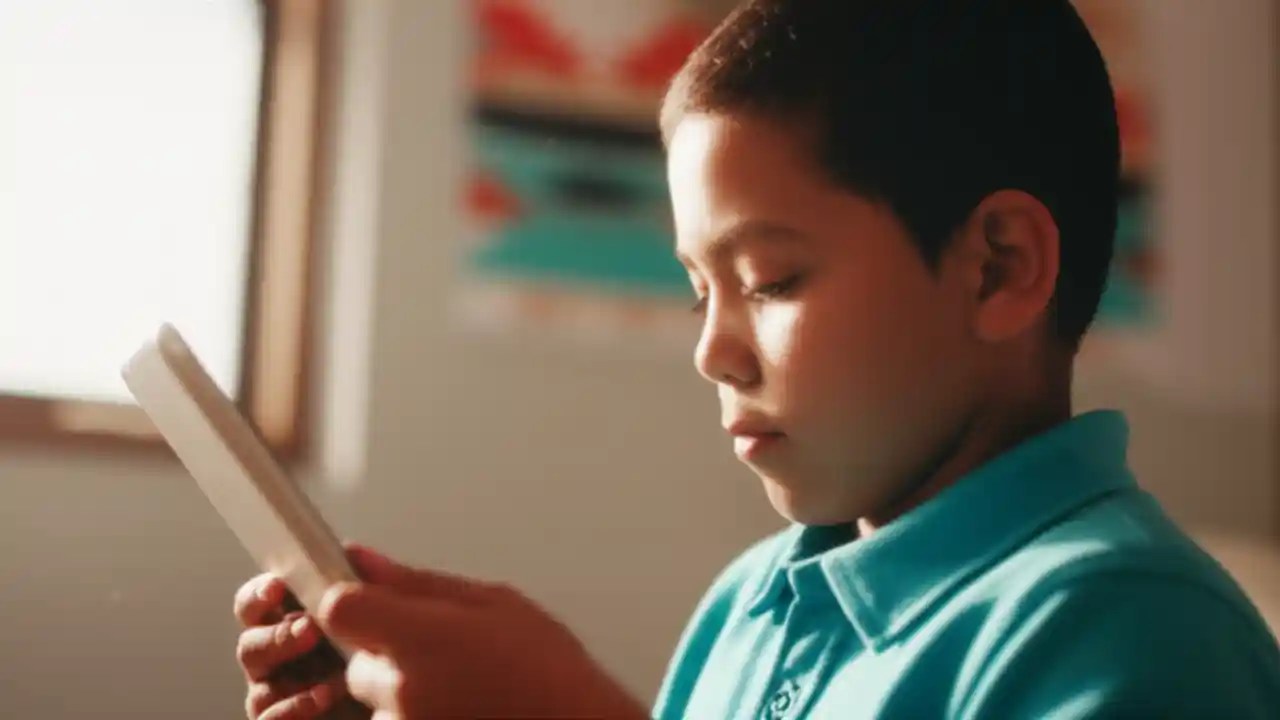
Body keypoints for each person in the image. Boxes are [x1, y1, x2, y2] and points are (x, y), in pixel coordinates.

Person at [232, 0, 1280, 717]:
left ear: (996, 268)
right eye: (699, 289)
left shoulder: (1131, 628)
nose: (712, 351)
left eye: (770, 281)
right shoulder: (751, 602)